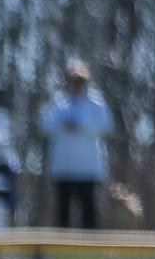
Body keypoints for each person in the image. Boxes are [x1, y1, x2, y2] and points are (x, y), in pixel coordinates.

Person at [39, 60, 113, 229]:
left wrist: (81, 127)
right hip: (63, 166)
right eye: (73, 80)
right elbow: (45, 124)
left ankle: (91, 247)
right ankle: (62, 248)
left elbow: (105, 126)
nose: (76, 85)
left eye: (80, 81)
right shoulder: (58, 102)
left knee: (89, 209)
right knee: (63, 209)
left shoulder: (96, 102)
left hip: (87, 168)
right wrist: (63, 125)